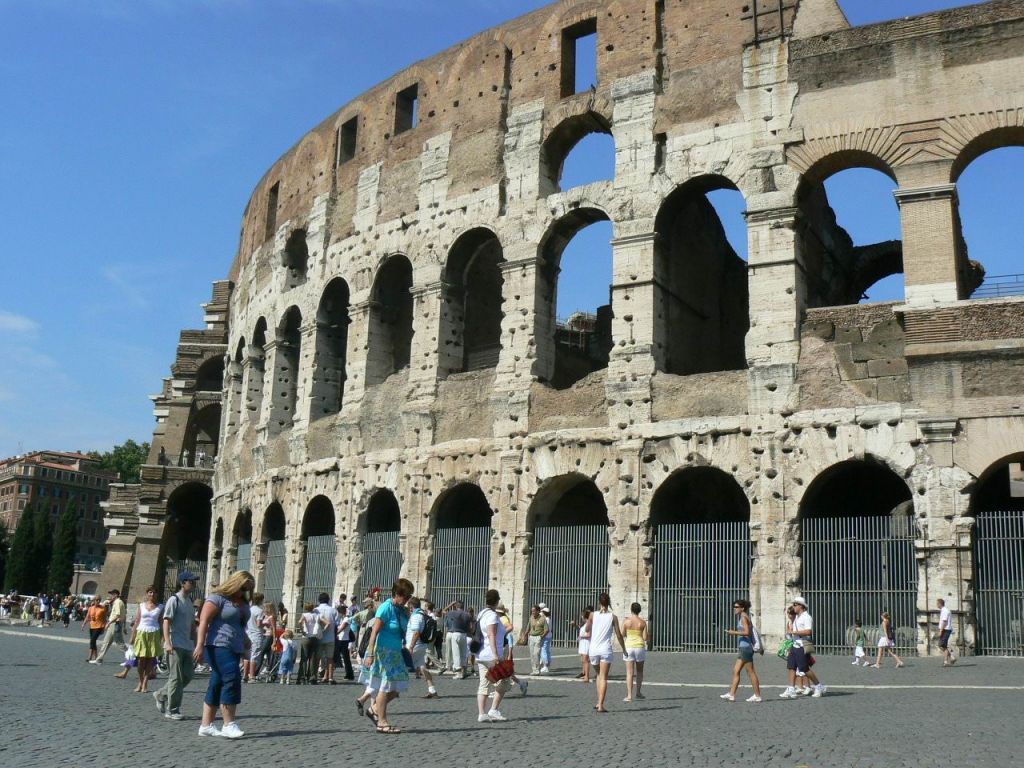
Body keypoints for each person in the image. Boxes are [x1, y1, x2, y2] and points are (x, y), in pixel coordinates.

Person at [194, 570, 255, 738]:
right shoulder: (217, 598)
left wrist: (246, 638)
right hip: (217, 644)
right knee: (232, 678)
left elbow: (238, 625)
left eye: (247, 589)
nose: (244, 592)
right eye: (242, 588)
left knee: (217, 682)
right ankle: (229, 724)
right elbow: (204, 621)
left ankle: (206, 725)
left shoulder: (242, 602)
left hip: (235, 646)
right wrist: (199, 645)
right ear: (235, 583)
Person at [362, 578, 414, 734]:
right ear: (397, 594)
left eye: (409, 597)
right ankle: (382, 722)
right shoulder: (385, 607)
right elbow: (374, 633)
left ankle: (374, 709)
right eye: (405, 597)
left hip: (396, 652)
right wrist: (370, 654)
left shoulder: (401, 610)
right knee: (385, 686)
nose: (407, 600)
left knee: (399, 686)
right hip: (383, 651)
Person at [154, 571, 198, 720]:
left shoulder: (190, 601)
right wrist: (167, 642)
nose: (194, 584)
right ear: (182, 583)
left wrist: (197, 644)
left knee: (188, 675)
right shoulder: (174, 600)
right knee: (176, 677)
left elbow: (192, 625)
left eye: (194, 582)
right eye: (191, 582)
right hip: (175, 643)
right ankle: (172, 710)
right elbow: (166, 621)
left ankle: (161, 694)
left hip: (187, 644)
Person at [476, 589, 512, 723]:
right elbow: (491, 634)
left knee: (484, 684)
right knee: (505, 680)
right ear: (497, 601)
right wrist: (496, 654)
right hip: (491, 654)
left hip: (481, 654)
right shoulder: (491, 615)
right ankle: (494, 710)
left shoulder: (481, 613)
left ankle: (481, 713)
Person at [586, 593, 626, 713]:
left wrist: (592, 623)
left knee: (599, 675)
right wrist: (624, 649)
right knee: (603, 677)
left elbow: (587, 629)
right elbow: (619, 635)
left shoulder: (593, 615)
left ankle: (598, 702)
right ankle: (601, 705)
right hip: (605, 649)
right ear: (609, 603)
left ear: (599, 602)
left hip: (593, 649)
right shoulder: (613, 617)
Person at [780, 597, 825, 698]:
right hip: (795, 645)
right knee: (791, 666)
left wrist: (794, 632)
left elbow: (808, 631)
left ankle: (819, 686)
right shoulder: (797, 617)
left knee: (804, 668)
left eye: (795, 604)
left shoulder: (806, 617)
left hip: (802, 645)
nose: (794, 606)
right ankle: (791, 689)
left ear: (801, 606)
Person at [720, 599, 761, 703]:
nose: (734, 609)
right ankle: (732, 694)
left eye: (736, 607)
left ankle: (757, 695)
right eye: (734, 607)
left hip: (746, 648)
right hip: (744, 647)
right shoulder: (743, 616)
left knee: (751, 672)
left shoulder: (743, 617)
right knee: (736, 671)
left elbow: (747, 632)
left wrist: (733, 632)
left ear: (742, 608)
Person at [129, 586, 164, 693]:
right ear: (147, 593)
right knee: (141, 660)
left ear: (157, 594)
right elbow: (137, 621)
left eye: (154, 592)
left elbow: (162, 623)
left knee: (150, 660)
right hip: (141, 633)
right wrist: (132, 636)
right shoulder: (141, 606)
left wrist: (163, 638)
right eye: (150, 592)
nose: (152, 594)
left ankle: (145, 682)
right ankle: (140, 681)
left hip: (154, 633)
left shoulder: (161, 607)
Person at [405, 597, 439, 698]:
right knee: (423, 667)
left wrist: (411, 647)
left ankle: (393, 690)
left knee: (400, 666)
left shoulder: (416, 617)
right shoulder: (423, 614)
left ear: (411, 606)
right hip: (421, 646)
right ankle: (432, 690)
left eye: (409, 607)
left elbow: (416, 632)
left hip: (414, 645)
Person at [622, 602, 649, 702]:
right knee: (640, 671)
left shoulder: (626, 621)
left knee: (629, 672)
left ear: (631, 609)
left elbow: (622, 634)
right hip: (640, 647)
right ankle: (638, 692)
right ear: (640, 610)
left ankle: (629, 695)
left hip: (629, 646)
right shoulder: (642, 622)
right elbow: (645, 638)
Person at [93, 588, 127, 663]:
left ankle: (131, 658)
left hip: (115, 624)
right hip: (114, 624)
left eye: (112, 594)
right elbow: (124, 615)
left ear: (116, 595)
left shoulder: (118, 602)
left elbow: (117, 615)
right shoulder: (118, 602)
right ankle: (99, 659)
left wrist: (109, 623)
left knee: (120, 643)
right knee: (106, 642)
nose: (111, 596)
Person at [298, 602, 326, 685]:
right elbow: (327, 623)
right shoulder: (316, 615)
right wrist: (322, 631)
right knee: (313, 658)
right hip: (315, 637)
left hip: (306, 637)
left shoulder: (304, 615)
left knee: (304, 658)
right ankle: (312, 677)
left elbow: (300, 622)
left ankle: (302, 677)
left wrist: (302, 630)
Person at [442, 600, 471, 678]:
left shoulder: (452, 613)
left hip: (455, 633)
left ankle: (457, 667)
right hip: (464, 634)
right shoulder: (467, 615)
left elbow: (443, 611)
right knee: (463, 653)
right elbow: (470, 627)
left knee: (456, 652)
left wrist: (451, 604)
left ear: (456, 606)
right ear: (463, 606)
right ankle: (463, 671)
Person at [315, 592, 340, 683]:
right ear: (328, 600)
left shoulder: (315, 610)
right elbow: (337, 623)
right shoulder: (333, 610)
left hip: (319, 637)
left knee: (317, 658)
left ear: (319, 600)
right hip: (330, 637)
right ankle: (330, 678)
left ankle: (315, 676)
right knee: (330, 658)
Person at [243, 591, 266, 683]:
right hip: (256, 634)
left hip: (248, 633)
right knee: (254, 655)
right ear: (260, 600)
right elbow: (259, 624)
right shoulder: (260, 611)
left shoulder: (248, 609)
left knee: (247, 655)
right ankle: (252, 676)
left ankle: (245, 675)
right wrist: (265, 624)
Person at [82, 596, 107, 662]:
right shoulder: (90, 608)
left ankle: (90, 656)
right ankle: (96, 657)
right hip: (92, 626)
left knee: (92, 640)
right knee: (93, 641)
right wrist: (83, 624)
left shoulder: (103, 609)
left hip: (99, 626)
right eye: (97, 600)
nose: (98, 601)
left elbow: (105, 619)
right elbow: (87, 617)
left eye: (99, 600)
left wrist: (104, 628)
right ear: (94, 600)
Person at [526, 604, 548, 675]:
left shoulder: (543, 619)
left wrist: (542, 637)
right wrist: (525, 635)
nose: (532, 612)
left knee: (536, 654)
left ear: (538, 611)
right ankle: (534, 670)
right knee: (532, 654)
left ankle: (537, 670)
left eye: (534, 611)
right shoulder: (531, 617)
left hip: (538, 637)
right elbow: (528, 627)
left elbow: (546, 630)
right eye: (532, 611)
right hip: (531, 637)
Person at [937, 599, 956, 666]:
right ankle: (950, 658)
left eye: (937, 603)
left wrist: (941, 631)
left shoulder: (945, 611)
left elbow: (944, 622)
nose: (937, 605)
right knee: (942, 645)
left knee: (942, 645)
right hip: (946, 630)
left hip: (945, 630)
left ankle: (947, 660)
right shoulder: (944, 610)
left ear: (940, 604)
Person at [576, 607, 592, 681]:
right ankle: (585, 674)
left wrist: (581, 636)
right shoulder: (584, 624)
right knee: (583, 660)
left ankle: (587, 676)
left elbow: (589, 635)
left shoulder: (588, 624)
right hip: (583, 643)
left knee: (586, 660)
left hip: (586, 643)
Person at [539, 603, 552, 673]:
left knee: (543, 651)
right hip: (549, 636)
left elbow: (544, 629)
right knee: (547, 651)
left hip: (545, 636)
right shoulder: (549, 618)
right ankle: (547, 664)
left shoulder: (545, 619)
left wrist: (542, 636)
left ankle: (545, 666)